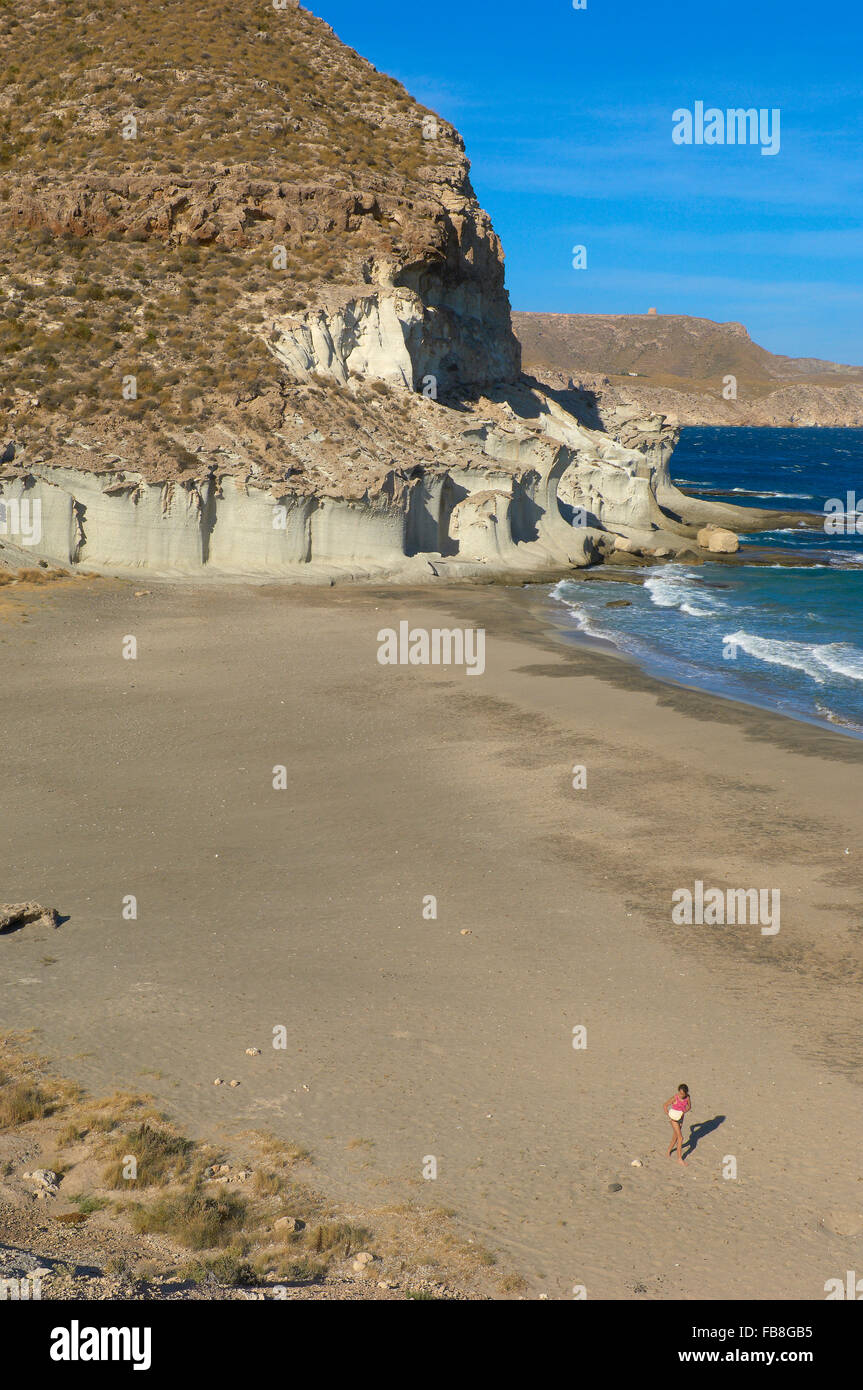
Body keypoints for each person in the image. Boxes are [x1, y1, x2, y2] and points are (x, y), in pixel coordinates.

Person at [664, 1083, 691, 1166]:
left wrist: (683, 1112)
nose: (681, 1095)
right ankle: (679, 1159)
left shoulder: (687, 1097)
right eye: (680, 1093)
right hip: (673, 1119)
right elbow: (665, 1105)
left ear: (686, 1093)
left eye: (683, 1093)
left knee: (675, 1136)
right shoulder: (675, 1098)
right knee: (680, 1137)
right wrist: (669, 1115)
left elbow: (689, 1107)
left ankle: (668, 1150)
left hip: (681, 1118)